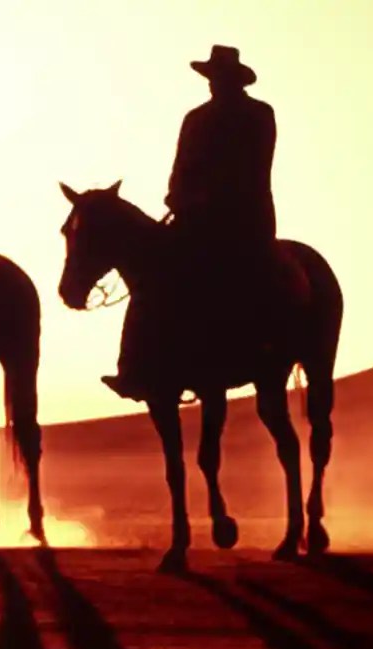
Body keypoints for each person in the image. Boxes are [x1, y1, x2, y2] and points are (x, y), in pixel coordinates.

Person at [104, 45, 278, 400]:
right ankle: (133, 367)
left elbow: (256, 168)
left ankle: (264, 344)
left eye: (220, 78)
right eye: (212, 78)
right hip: (195, 218)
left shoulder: (259, 115)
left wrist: (211, 196)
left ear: (233, 80)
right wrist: (177, 195)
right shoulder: (194, 119)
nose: (214, 84)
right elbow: (180, 166)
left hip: (245, 218)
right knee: (149, 277)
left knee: (250, 274)